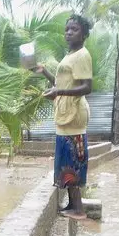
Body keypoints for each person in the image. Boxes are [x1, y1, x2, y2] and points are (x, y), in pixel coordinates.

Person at [35, 14, 94, 219]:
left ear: (84, 34)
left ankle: (78, 208)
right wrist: (45, 73)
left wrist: (58, 93)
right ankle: (72, 205)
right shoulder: (70, 55)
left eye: (74, 29)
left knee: (73, 160)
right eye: (67, 29)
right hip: (65, 113)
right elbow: (63, 85)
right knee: (66, 160)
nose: (68, 32)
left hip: (74, 114)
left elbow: (87, 87)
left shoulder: (82, 55)